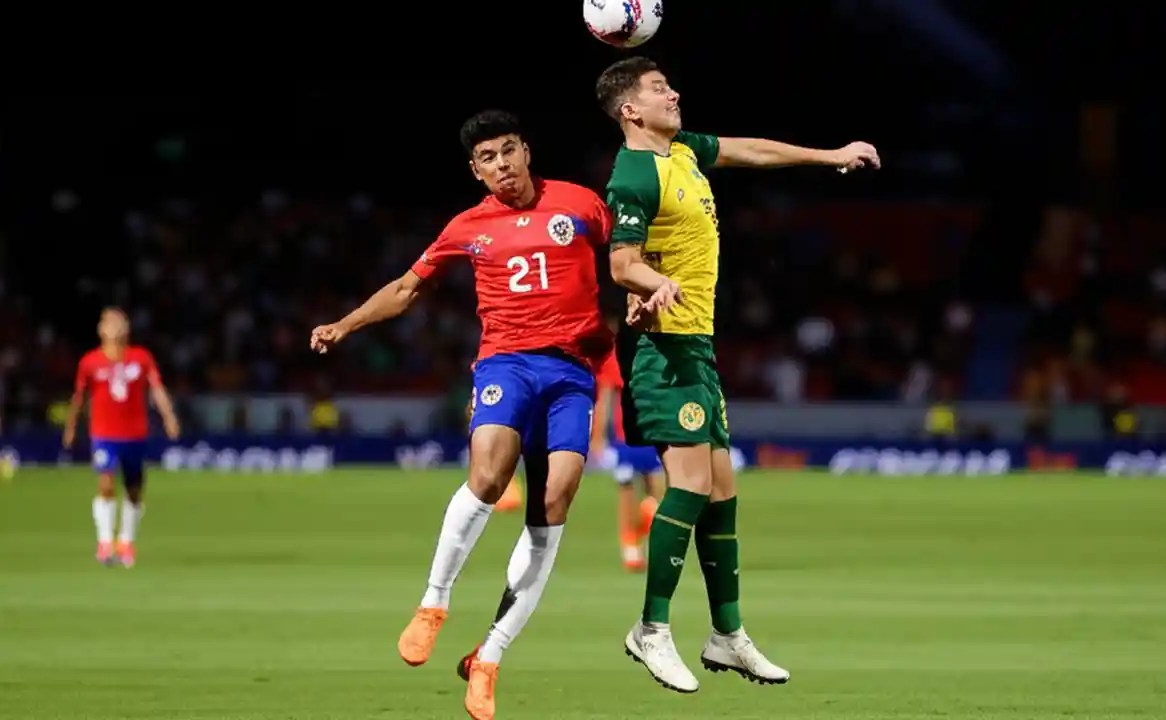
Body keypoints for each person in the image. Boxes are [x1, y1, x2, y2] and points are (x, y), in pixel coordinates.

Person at [309, 110, 612, 720]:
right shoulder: (469, 225)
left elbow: (626, 257)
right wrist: (345, 324)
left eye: (508, 152)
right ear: (475, 170)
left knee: (554, 503)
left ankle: (489, 657)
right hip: (507, 364)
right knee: (489, 473)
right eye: (488, 159)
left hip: (574, 372)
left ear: (527, 150)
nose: (501, 166)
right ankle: (433, 602)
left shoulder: (582, 205)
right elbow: (405, 287)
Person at [595, 56, 881, 693]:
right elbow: (621, 263)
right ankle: (651, 628)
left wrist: (828, 154)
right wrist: (655, 280)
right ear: (630, 110)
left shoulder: (683, 154)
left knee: (722, 487)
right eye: (659, 88)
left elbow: (748, 149)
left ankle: (726, 634)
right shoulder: (635, 172)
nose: (674, 92)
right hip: (660, 346)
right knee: (692, 482)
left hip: (695, 344)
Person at [63, 307, 181, 568]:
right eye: (109, 322)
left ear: (127, 329)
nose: (115, 326)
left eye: (120, 322)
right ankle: (105, 541)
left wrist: (169, 416)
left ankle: (125, 541)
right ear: (101, 330)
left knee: (134, 490)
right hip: (104, 435)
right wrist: (71, 426)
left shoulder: (141, 358)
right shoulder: (90, 362)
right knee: (105, 483)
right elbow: (79, 398)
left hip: (135, 434)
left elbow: (157, 389)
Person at [591, 312, 663, 571]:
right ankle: (630, 547)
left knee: (657, 494)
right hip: (627, 436)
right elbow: (606, 397)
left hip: (654, 431)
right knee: (627, 491)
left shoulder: (657, 351)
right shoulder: (616, 357)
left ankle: (643, 532)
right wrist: (597, 436)